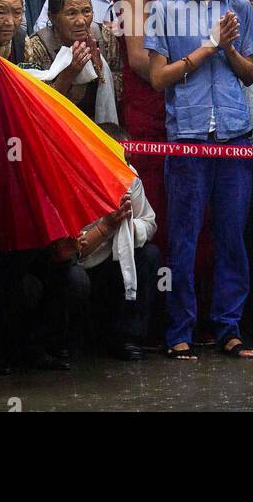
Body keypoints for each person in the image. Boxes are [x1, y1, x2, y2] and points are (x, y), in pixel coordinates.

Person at [145, 0, 253, 360]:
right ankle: (179, 329)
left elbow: (252, 74)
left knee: (233, 236)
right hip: (189, 138)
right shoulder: (164, 8)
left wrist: (230, 49)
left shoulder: (241, 6)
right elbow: (158, 78)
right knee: (185, 239)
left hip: (235, 135)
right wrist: (207, 48)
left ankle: (229, 328)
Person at [119, 0, 192, 230]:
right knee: (153, 205)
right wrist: (189, 70)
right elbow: (137, 58)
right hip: (149, 112)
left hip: (187, 112)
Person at [75, 124, 162, 361]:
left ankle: (130, 338)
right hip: (85, 264)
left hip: (117, 259)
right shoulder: (77, 177)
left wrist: (128, 225)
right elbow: (74, 244)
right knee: (74, 278)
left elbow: (150, 223)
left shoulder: (129, 177)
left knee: (150, 255)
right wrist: (107, 226)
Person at [24, 0, 123, 123]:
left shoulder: (104, 38)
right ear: (52, 17)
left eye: (86, 11)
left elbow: (122, 93)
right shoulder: (35, 48)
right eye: (71, 13)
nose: (81, 21)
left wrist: (101, 69)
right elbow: (33, 108)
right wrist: (66, 77)